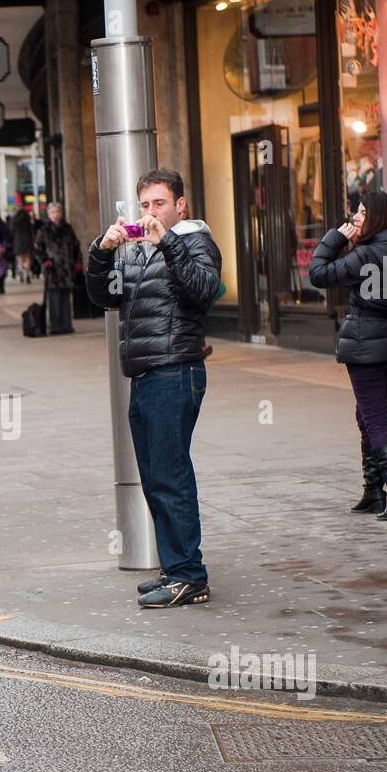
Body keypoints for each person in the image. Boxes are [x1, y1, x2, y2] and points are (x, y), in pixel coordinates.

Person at [86, 168, 220, 608]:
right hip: (145, 372)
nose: (150, 213)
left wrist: (167, 241)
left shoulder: (195, 241)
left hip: (175, 370)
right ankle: (175, 567)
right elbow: (104, 296)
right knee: (155, 478)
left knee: (171, 476)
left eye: (159, 203)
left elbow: (202, 289)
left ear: (180, 204)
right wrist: (103, 253)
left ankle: (188, 576)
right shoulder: (135, 250)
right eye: (144, 205)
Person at [309, 191, 387, 521]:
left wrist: (334, 238)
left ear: (377, 218)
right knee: (366, 414)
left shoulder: (365, 255)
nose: (355, 218)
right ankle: (373, 490)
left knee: (374, 418)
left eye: (361, 213)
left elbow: (318, 274)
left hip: (365, 346)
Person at [33, 201, 80, 335]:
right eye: (53, 212)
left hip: (66, 268)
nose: (56, 215)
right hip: (52, 269)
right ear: (48, 214)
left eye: (58, 212)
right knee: (54, 298)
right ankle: (55, 326)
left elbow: (76, 245)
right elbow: (37, 249)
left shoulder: (67, 228)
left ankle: (67, 325)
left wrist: (77, 262)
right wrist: (45, 260)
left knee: (66, 298)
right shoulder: (43, 230)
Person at [10, 206, 35, 283]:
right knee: (28, 258)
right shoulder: (27, 218)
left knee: (20, 258)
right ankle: (27, 273)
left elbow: (12, 230)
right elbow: (31, 229)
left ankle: (20, 272)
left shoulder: (14, 219)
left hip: (18, 239)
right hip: (27, 238)